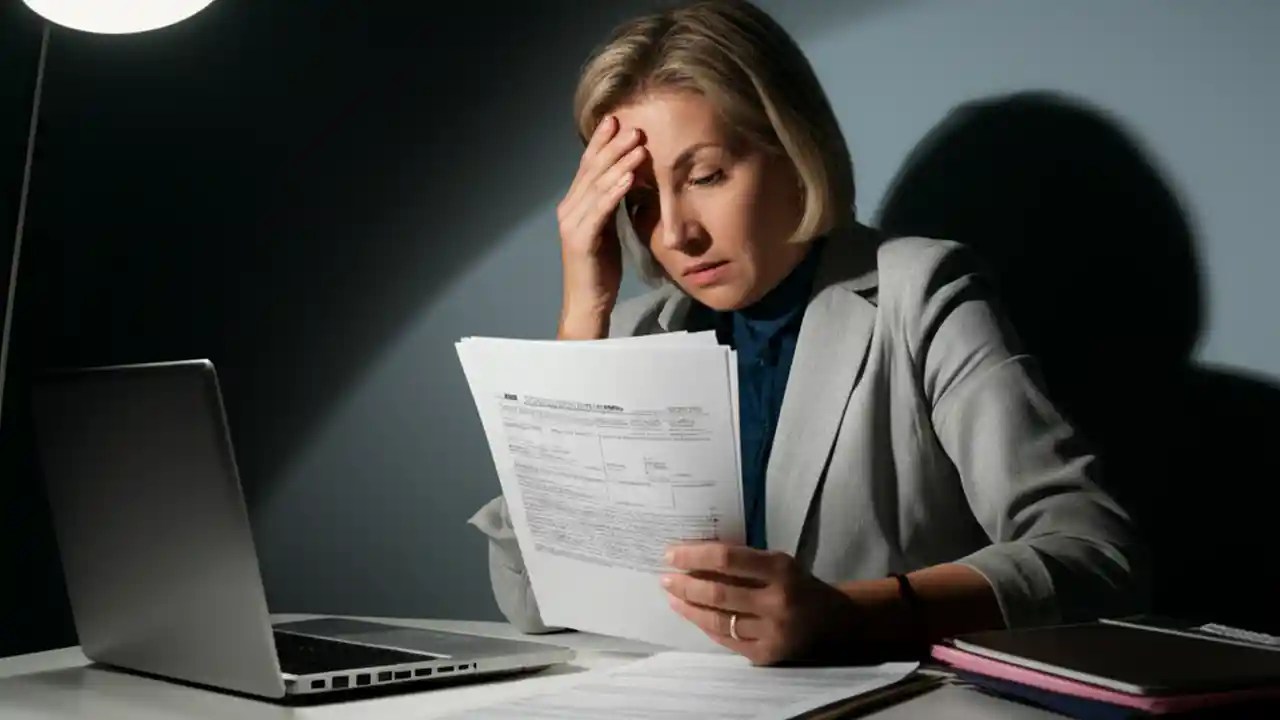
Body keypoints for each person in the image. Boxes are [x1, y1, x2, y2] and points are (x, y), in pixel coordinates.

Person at [468, 0, 1143, 666]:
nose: (675, 234)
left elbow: (1092, 552)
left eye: (705, 176)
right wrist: (582, 318)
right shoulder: (633, 334)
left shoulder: (919, 291)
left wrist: (855, 615)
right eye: (639, 202)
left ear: (793, 148)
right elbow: (530, 600)